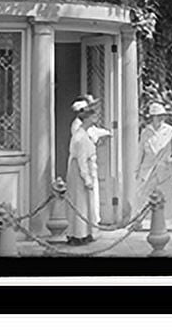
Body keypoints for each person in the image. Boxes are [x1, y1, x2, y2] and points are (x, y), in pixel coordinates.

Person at [135, 102, 172, 220]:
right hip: (147, 169)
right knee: (144, 195)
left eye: (162, 116)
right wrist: (137, 169)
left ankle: (167, 221)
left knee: (166, 196)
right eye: (158, 116)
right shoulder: (146, 132)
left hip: (164, 169)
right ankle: (143, 220)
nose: (160, 118)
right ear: (152, 117)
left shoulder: (170, 130)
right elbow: (140, 151)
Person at [66, 103, 98, 246]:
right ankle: (77, 234)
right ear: (87, 119)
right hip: (78, 172)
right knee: (80, 203)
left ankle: (85, 232)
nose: (95, 119)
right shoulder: (80, 137)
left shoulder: (84, 134)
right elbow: (81, 161)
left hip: (83, 168)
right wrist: (87, 179)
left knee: (85, 203)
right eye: (93, 117)